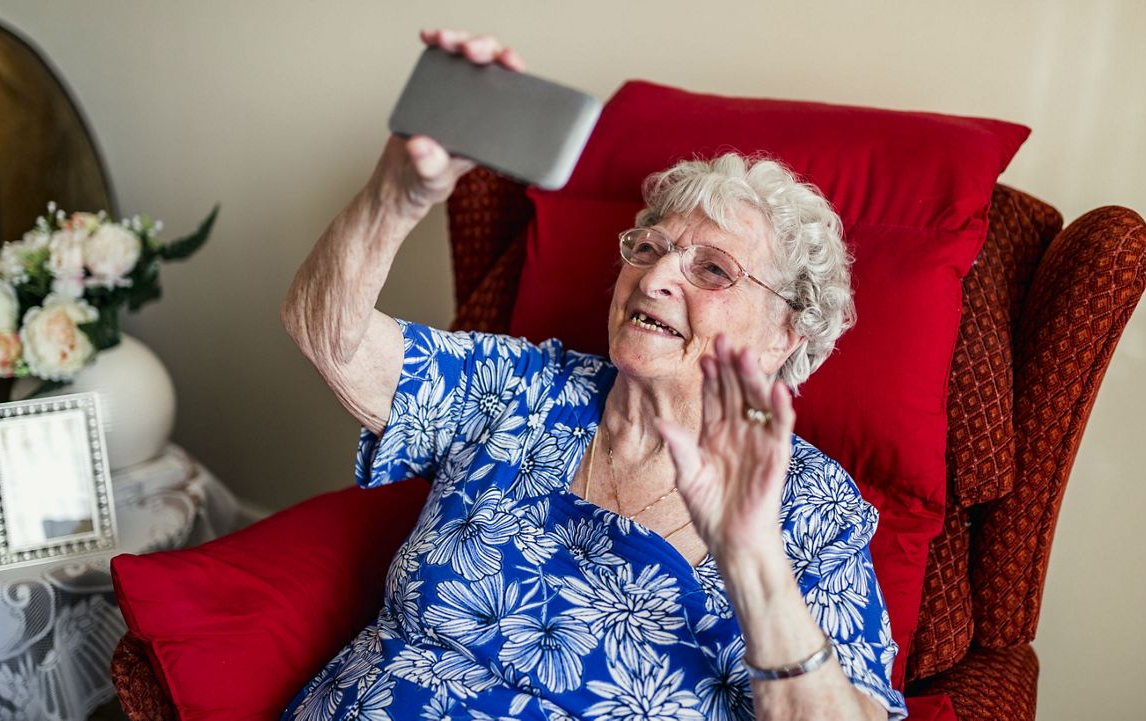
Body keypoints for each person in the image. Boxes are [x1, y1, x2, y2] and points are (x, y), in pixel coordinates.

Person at [279, 28, 907, 721]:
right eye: (649, 247)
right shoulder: (524, 388)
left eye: (713, 269)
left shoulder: (810, 504)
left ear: (783, 335)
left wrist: (752, 557)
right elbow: (326, 335)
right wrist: (395, 194)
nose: (657, 275)